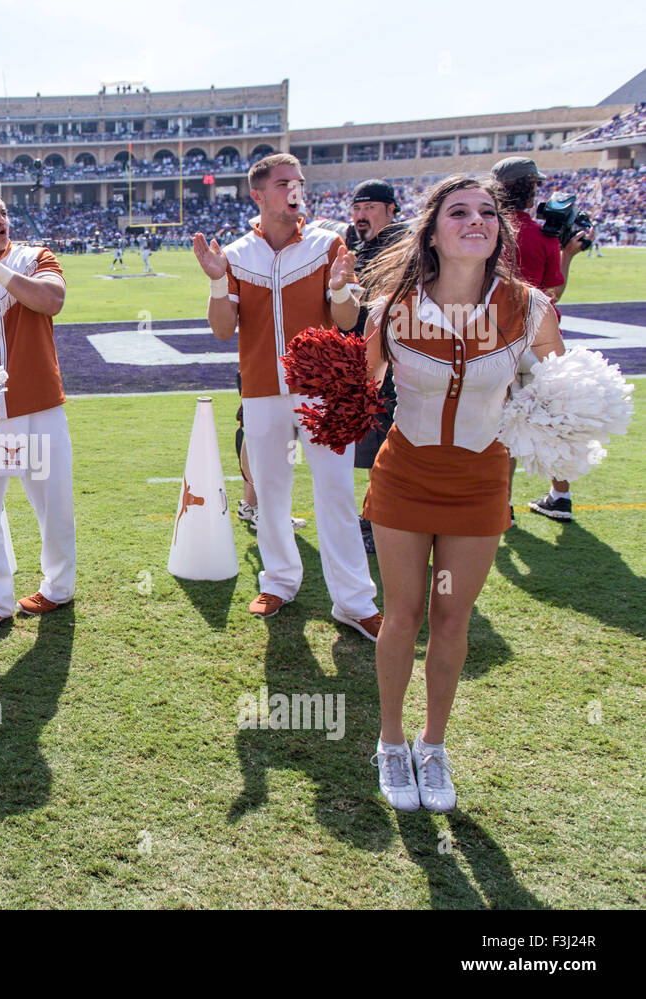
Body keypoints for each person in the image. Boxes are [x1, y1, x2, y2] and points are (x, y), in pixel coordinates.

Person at [361, 175, 565, 811]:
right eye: (459, 212)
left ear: (499, 229)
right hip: (404, 476)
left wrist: (545, 426)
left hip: (480, 482)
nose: (476, 221)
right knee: (403, 614)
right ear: (433, 230)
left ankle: (433, 744)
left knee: (453, 617)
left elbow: (558, 392)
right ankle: (391, 743)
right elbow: (357, 389)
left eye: (486, 213)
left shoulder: (530, 309)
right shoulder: (392, 307)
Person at [193, 153, 381, 638]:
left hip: (322, 389)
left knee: (336, 493)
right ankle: (278, 580)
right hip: (260, 391)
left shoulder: (327, 244)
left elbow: (344, 322)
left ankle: (355, 602)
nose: (294, 190)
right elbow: (221, 330)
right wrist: (217, 280)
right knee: (271, 495)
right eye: (283, 184)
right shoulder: (235, 254)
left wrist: (341, 290)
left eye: (298, 182)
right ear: (257, 195)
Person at [0, 188, 75, 636]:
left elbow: (52, 301)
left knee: (54, 505)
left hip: (38, 406)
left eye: (4, 212)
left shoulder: (33, 257)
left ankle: (59, 588)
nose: (2, 219)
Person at [492, 157, 591, 523]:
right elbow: (553, 291)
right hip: (540, 338)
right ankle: (560, 496)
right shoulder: (545, 236)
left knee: (502, 423)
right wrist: (567, 253)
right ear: (532, 189)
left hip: (496, 339)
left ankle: (503, 507)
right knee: (551, 419)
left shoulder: (488, 231)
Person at [346, 180, 410, 553]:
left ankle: (379, 522)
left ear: (391, 210)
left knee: (387, 451)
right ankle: (372, 517)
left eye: (369, 207)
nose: (360, 215)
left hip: (393, 365)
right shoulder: (362, 247)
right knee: (372, 452)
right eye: (356, 208)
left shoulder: (402, 247)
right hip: (366, 361)